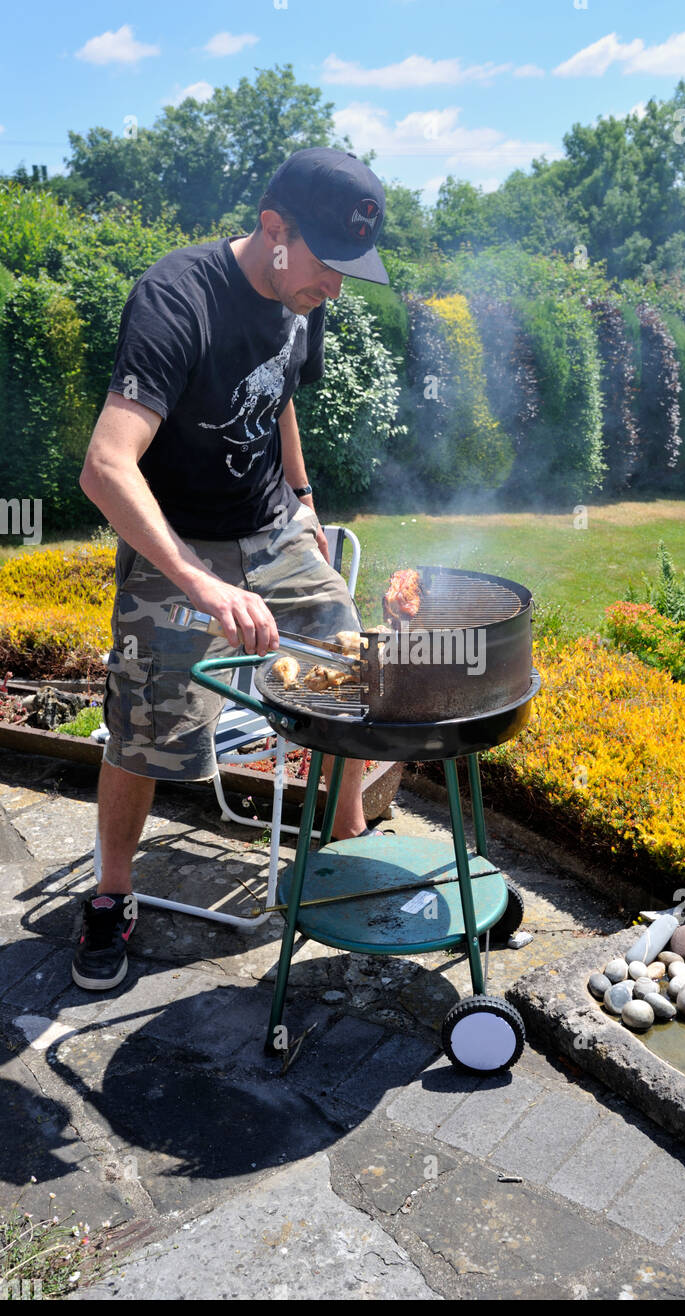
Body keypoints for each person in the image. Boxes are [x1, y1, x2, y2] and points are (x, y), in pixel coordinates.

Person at [74, 147, 388, 991]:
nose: (338, 288)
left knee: (351, 665)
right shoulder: (176, 297)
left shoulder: (301, 294)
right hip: (175, 541)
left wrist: (305, 498)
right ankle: (110, 896)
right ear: (273, 230)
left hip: (271, 526)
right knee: (147, 732)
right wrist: (201, 584)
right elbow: (105, 467)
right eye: (330, 266)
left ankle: (346, 836)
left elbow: (277, 391)